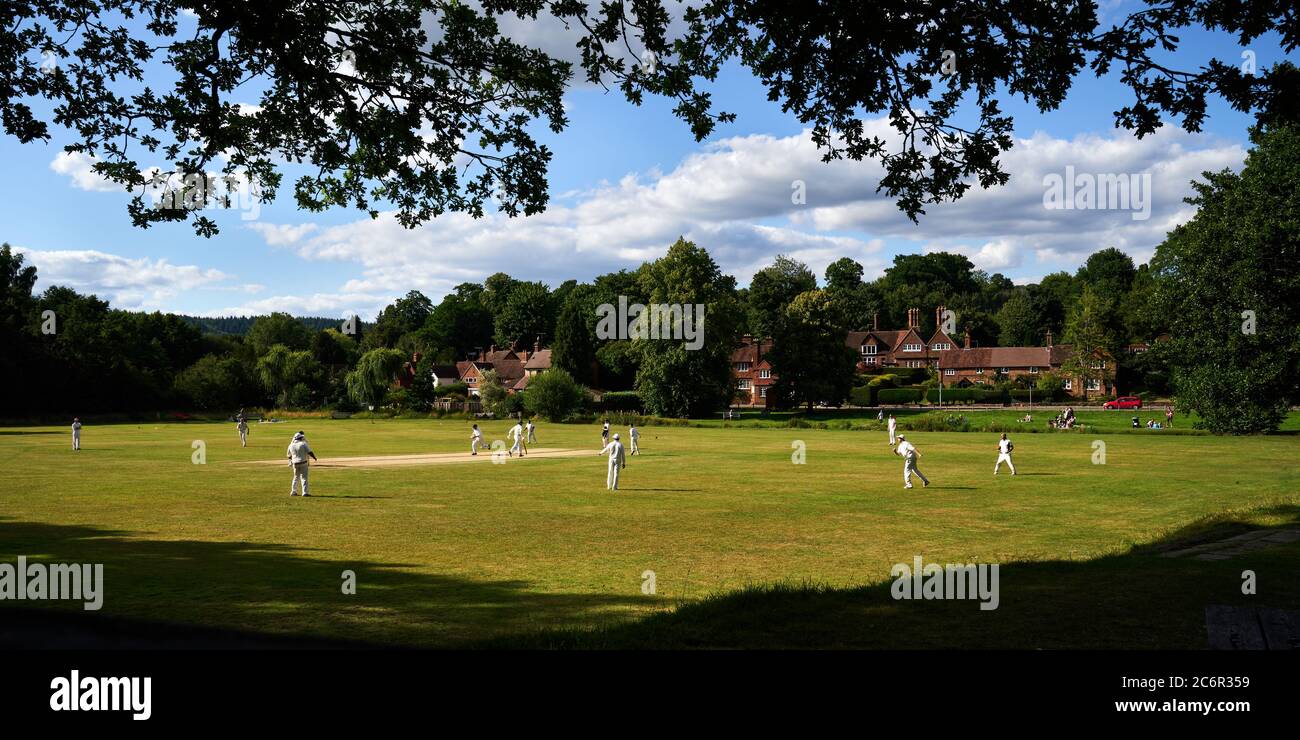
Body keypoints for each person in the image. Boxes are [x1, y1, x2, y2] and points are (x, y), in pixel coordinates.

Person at [286, 431, 318, 497]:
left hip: (295, 463)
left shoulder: (291, 445)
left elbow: (289, 456)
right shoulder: (303, 444)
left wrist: (292, 459)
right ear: (300, 438)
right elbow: (310, 452)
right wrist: (314, 457)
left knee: (295, 477)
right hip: (303, 463)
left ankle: (293, 492)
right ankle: (305, 492)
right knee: (304, 478)